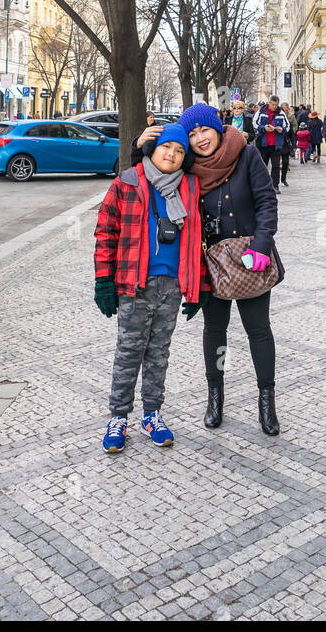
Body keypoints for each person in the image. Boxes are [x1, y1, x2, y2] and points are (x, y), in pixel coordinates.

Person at [158, 104, 282, 436]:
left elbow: (267, 201)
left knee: (258, 330)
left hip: (250, 259)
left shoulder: (247, 153)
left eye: (204, 130)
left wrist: (261, 245)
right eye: (192, 133)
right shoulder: (185, 167)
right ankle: (216, 396)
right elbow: (147, 170)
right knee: (215, 331)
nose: (199, 139)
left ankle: (266, 401)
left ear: (217, 128)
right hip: (208, 264)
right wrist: (138, 143)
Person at [94, 124, 206, 454]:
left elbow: (197, 239)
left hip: (172, 286)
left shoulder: (190, 186)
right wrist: (104, 280)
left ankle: (152, 414)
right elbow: (105, 231)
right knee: (129, 352)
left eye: (180, 150)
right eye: (166, 147)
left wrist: (196, 287)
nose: (171, 154)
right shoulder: (128, 181)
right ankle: (118, 418)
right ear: (152, 150)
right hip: (133, 284)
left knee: (159, 353)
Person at [253, 96, 291, 192]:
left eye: (276, 105)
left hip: (276, 144)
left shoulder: (281, 113)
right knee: (262, 166)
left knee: (276, 166)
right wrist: (263, 128)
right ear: (269, 103)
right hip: (263, 144)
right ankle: (262, 186)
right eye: (272, 104)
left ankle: (275, 186)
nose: (274, 107)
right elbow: (255, 123)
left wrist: (282, 129)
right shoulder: (261, 111)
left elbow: (287, 126)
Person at [279, 103, 297, 186]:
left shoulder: (289, 122)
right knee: (276, 165)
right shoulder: (275, 121)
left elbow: (292, 135)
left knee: (285, 163)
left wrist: (294, 145)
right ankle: (275, 182)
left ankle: (283, 178)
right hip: (276, 145)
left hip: (285, 144)